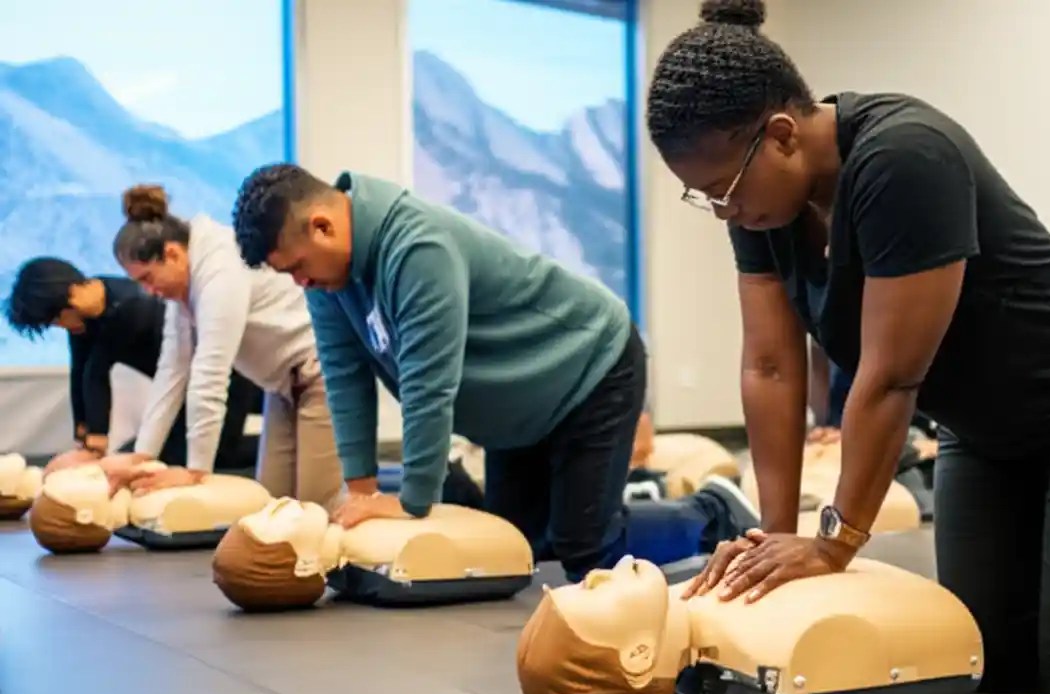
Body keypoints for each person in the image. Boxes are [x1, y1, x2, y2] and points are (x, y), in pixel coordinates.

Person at [644, 0, 1050, 694]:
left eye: (723, 190)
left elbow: (891, 378)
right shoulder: (762, 208)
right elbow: (770, 365)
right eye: (704, 198)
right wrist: (775, 535)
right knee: (988, 658)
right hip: (983, 434)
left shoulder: (902, 158)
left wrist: (832, 543)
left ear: (783, 135)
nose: (722, 211)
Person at [229, 163, 760, 583]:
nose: (298, 282)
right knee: (516, 546)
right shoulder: (329, 282)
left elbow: (427, 384)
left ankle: (713, 512)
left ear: (322, 226)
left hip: (588, 366)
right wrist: (362, 495)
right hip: (520, 406)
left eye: (297, 266)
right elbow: (345, 380)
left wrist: (412, 501)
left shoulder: (416, 248)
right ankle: (629, 512)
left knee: (588, 552)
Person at [106, 184, 343, 511]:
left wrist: (196, 471)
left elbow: (211, 373)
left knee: (315, 507)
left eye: (148, 277)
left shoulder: (221, 265)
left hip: (322, 373)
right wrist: (142, 456)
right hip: (283, 386)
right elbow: (172, 371)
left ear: (173, 253)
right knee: (271, 504)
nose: (149, 291)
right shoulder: (186, 282)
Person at [4, 257, 258, 471]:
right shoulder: (85, 317)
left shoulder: (130, 305)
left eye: (56, 320)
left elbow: (96, 373)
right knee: (133, 457)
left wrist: (96, 443)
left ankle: (268, 445)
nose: (62, 327)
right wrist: (82, 432)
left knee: (205, 459)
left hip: (227, 382)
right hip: (185, 394)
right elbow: (79, 371)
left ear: (69, 296)